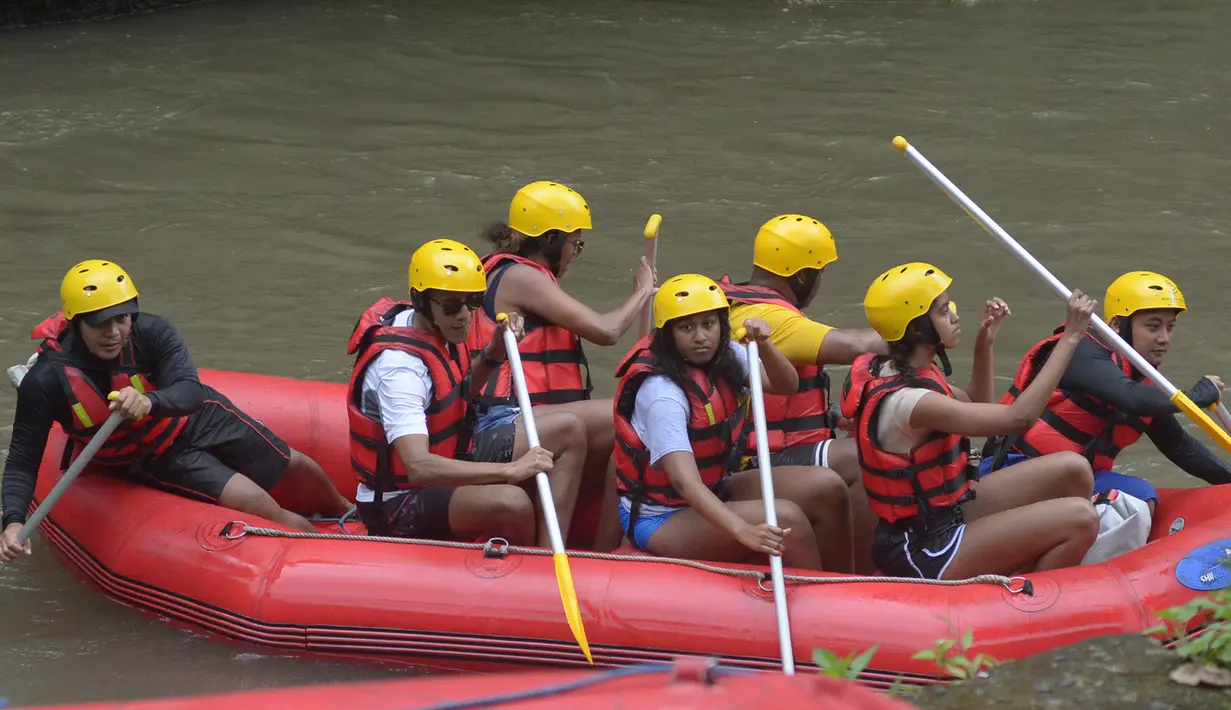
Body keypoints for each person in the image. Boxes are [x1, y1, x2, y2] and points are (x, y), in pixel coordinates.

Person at [1, 260, 350, 563]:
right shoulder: (45, 380)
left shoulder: (152, 332)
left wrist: (149, 402)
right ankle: (333, 556)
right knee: (254, 500)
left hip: (196, 418)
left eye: (121, 319)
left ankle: (347, 512)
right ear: (76, 322)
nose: (113, 333)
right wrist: (14, 520)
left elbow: (189, 391)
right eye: (99, 324)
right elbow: (21, 459)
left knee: (295, 464)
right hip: (151, 454)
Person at [841, 262, 1100, 580]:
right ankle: (1027, 603)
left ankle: (1034, 568)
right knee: (1081, 518)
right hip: (925, 548)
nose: (953, 314)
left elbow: (978, 404)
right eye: (940, 310)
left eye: (948, 304)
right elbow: (1019, 417)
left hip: (945, 512)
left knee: (1072, 469)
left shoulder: (905, 367)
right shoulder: (911, 401)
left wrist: (985, 340)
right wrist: (1070, 338)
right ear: (916, 327)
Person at [347, 238, 587, 546]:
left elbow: (459, 392)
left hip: (452, 449)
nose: (464, 315)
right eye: (451, 306)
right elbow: (418, 467)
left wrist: (494, 351)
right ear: (421, 301)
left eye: (472, 301)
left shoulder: (439, 329)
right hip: (399, 502)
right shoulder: (400, 370)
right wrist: (511, 470)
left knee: (570, 429)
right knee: (512, 502)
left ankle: (550, 553)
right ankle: (524, 575)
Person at [612, 273, 853, 572]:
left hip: (715, 486)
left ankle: (846, 586)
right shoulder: (663, 394)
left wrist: (764, 345)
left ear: (721, 325)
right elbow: (684, 482)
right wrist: (743, 530)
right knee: (786, 517)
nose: (701, 337)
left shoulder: (725, 354)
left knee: (827, 487)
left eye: (709, 324)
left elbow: (786, 385)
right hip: (662, 515)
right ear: (668, 335)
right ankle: (820, 604)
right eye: (686, 328)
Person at [466, 180, 655, 551]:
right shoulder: (521, 276)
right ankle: (571, 553)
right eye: (575, 244)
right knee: (632, 411)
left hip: (532, 418)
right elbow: (606, 331)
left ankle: (608, 550)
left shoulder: (523, 275)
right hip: (501, 423)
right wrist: (643, 291)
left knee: (631, 430)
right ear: (551, 240)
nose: (574, 253)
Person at [716, 213, 888, 573]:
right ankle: (856, 574)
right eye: (820, 272)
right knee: (863, 459)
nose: (821, 281)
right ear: (801, 275)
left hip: (775, 446)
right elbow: (853, 345)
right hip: (751, 461)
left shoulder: (736, 302)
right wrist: (915, 329)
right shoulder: (770, 320)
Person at [982, 271, 1231, 512]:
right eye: (1153, 327)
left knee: (1140, 495)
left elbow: (1180, 447)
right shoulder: (1080, 352)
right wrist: (1197, 396)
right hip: (1013, 471)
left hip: (1072, 478)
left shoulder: (1146, 387)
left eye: (1170, 327)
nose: (1164, 338)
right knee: (1138, 498)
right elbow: (1132, 399)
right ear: (1116, 325)